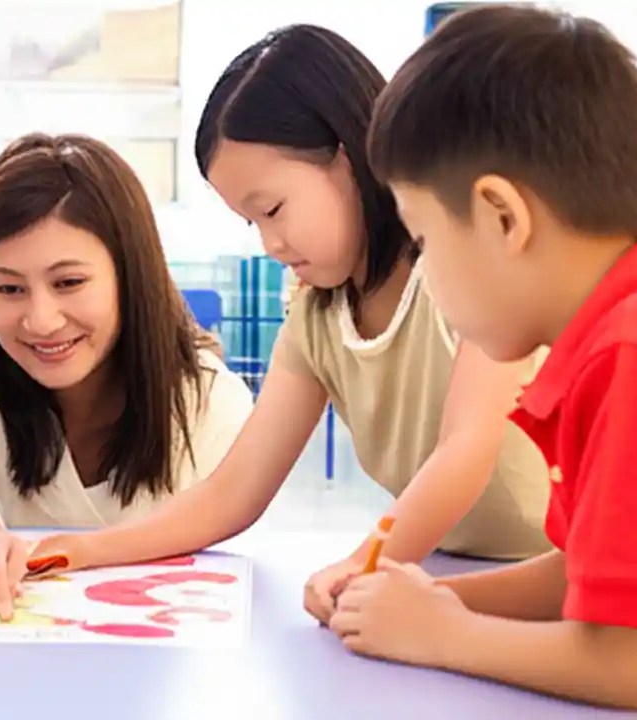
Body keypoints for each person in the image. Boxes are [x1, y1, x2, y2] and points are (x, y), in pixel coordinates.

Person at [30, 26, 551, 621]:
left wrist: (365, 563)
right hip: (454, 578)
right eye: (251, 223)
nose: (271, 243)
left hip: (570, 576)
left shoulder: (464, 265)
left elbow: (467, 450)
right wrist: (90, 549)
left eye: (273, 209)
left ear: (350, 155)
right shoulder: (317, 317)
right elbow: (235, 490)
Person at [330, 6, 637, 712]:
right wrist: (420, 601)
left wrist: (440, 635)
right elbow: (588, 576)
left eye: (423, 242)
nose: (423, 271)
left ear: (502, 218)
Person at [0, 134, 253, 620]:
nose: (42, 320)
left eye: (68, 283)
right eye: (8, 288)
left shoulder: (208, 397)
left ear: (129, 274)